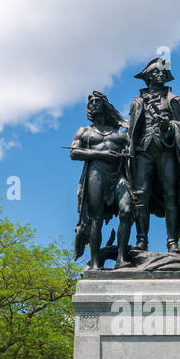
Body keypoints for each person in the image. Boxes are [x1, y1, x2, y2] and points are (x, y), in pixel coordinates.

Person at [126, 57, 180, 253]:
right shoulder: (137, 102)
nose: (159, 75)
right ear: (148, 77)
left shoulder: (174, 101)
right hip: (143, 151)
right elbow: (132, 131)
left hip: (167, 150)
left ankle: (172, 241)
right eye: (155, 72)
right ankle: (142, 240)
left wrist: (170, 126)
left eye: (162, 73)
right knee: (141, 196)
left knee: (171, 195)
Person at [69, 91, 133, 269]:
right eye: (91, 103)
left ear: (105, 106)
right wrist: (101, 153)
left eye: (98, 102)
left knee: (127, 211)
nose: (94, 104)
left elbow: (132, 153)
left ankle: (121, 259)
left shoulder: (121, 134)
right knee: (96, 219)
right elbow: (74, 153)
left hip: (118, 176)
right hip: (96, 173)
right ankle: (96, 263)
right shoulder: (84, 131)